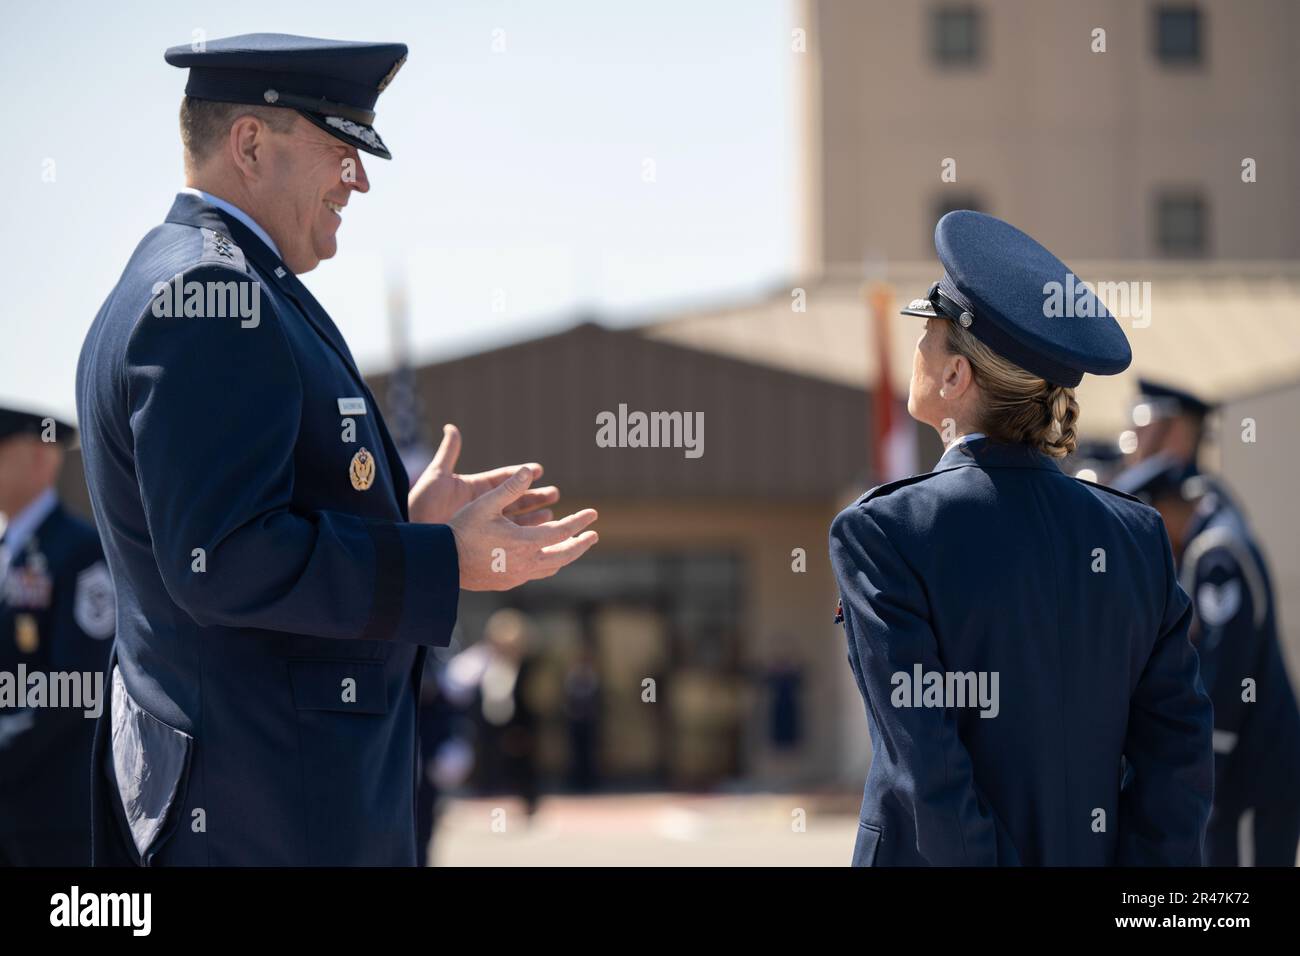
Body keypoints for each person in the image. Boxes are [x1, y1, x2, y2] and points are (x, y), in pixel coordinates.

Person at [76, 34, 598, 866]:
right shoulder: (212, 294)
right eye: (338, 146)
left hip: (267, 801)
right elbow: (226, 556)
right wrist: (433, 562)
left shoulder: (224, 280)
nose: (357, 179)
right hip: (267, 809)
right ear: (249, 144)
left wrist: (405, 524)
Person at [829, 211, 1213, 866]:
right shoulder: (1136, 535)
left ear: (956, 376)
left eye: (930, 330)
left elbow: (930, 777)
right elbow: (1177, 760)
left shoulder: (884, 533)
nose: (916, 346)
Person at [1113, 453, 1300, 865]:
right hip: (1246, 765)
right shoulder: (1214, 540)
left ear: (1167, 507)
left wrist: (1201, 764)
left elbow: (1226, 669)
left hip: (1253, 771)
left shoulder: (1218, 554)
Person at [0, 408, 113, 865]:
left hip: (53, 811)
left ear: (39, 459)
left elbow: (81, 682)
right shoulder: (9, 551)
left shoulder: (79, 551)